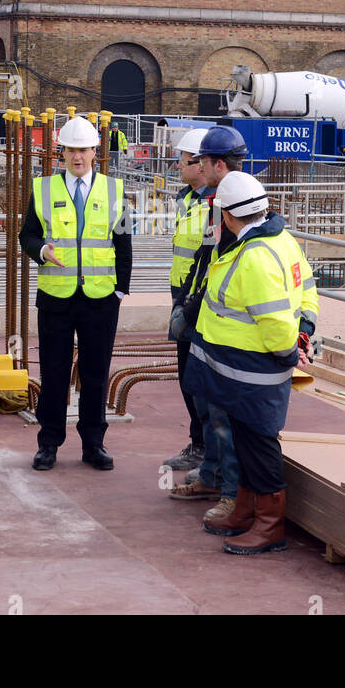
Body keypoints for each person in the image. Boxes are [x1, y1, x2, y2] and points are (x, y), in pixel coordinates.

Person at [181, 171, 318, 555]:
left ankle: (269, 526)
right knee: (244, 440)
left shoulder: (254, 257)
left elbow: (274, 322)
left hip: (253, 372)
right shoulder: (282, 239)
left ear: (226, 216)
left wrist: (291, 349)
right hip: (238, 372)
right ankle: (244, 511)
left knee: (259, 445)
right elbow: (307, 288)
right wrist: (305, 328)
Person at [18, 115, 132, 471]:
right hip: (56, 296)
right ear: (61, 153)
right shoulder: (43, 189)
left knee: (96, 372)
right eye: (70, 151)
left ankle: (93, 443)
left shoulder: (116, 190)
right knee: (53, 372)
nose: (77, 157)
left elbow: (124, 243)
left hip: (100, 299)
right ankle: (48, 443)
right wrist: (41, 251)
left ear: (95, 152)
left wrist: (120, 292)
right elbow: (27, 236)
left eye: (83, 150)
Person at [169, 125, 247, 525]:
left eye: (201, 161)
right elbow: (204, 261)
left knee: (226, 412)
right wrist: (188, 301)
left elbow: (227, 267)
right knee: (206, 399)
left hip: (226, 326)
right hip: (204, 316)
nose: (196, 167)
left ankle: (231, 495)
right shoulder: (211, 202)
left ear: (217, 164)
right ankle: (213, 476)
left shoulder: (234, 206)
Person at [161, 128, 213, 475]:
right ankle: (199, 443)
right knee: (186, 375)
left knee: (199, 377)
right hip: (183, 296)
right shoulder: (189, 199)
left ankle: (206, 448)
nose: (178, 165)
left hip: (202, 302)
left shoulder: (217, 203)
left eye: (182, 160)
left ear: (200, 163)